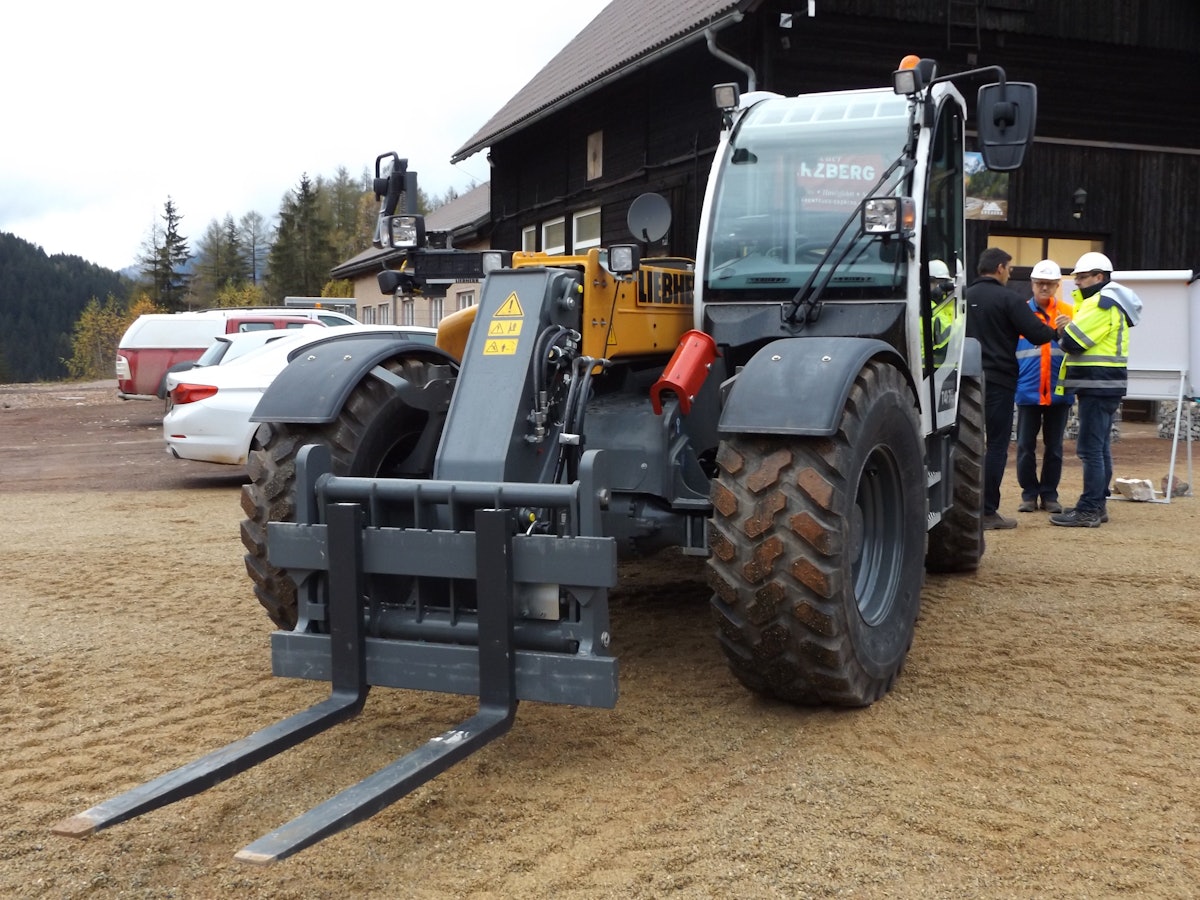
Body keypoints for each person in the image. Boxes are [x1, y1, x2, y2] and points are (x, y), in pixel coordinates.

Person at [965, 247, 1059, 530]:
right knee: (995, 445)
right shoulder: (1009, 299)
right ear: (1001, 268)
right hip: (999, 381)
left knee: (964, 445)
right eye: (1009, 268)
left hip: (965, 380)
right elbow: (1037, 333)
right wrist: (1058, 331)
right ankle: (987, 510)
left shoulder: (962, 297)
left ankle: (962, 506)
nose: (1009, 273)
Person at [1049, 252, 1142, 527]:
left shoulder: (1101, 303)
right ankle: (1097, 504)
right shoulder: (1108, 302)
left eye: (1082, 276)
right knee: (1099, 447)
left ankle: (1089, 509)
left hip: (1096, 384)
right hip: (1104, 384)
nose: (1076, 282)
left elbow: (1075, 342)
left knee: (1090, 449)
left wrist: (1064, 330)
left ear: (1099, 277)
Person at [1014, 259, 1074, 514]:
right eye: (1040, 283)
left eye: (1049, 284)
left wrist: (1066, 332)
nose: (1044, 288)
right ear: (1032, 284)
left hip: (1059, 391)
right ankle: (1029, 494)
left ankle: (1049, 494)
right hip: (1028, 390)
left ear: (1057, 285)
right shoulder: (1019, 313)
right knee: (1025, 446)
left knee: (1055, 448)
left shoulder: (1069, 314)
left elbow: (1079, 348)